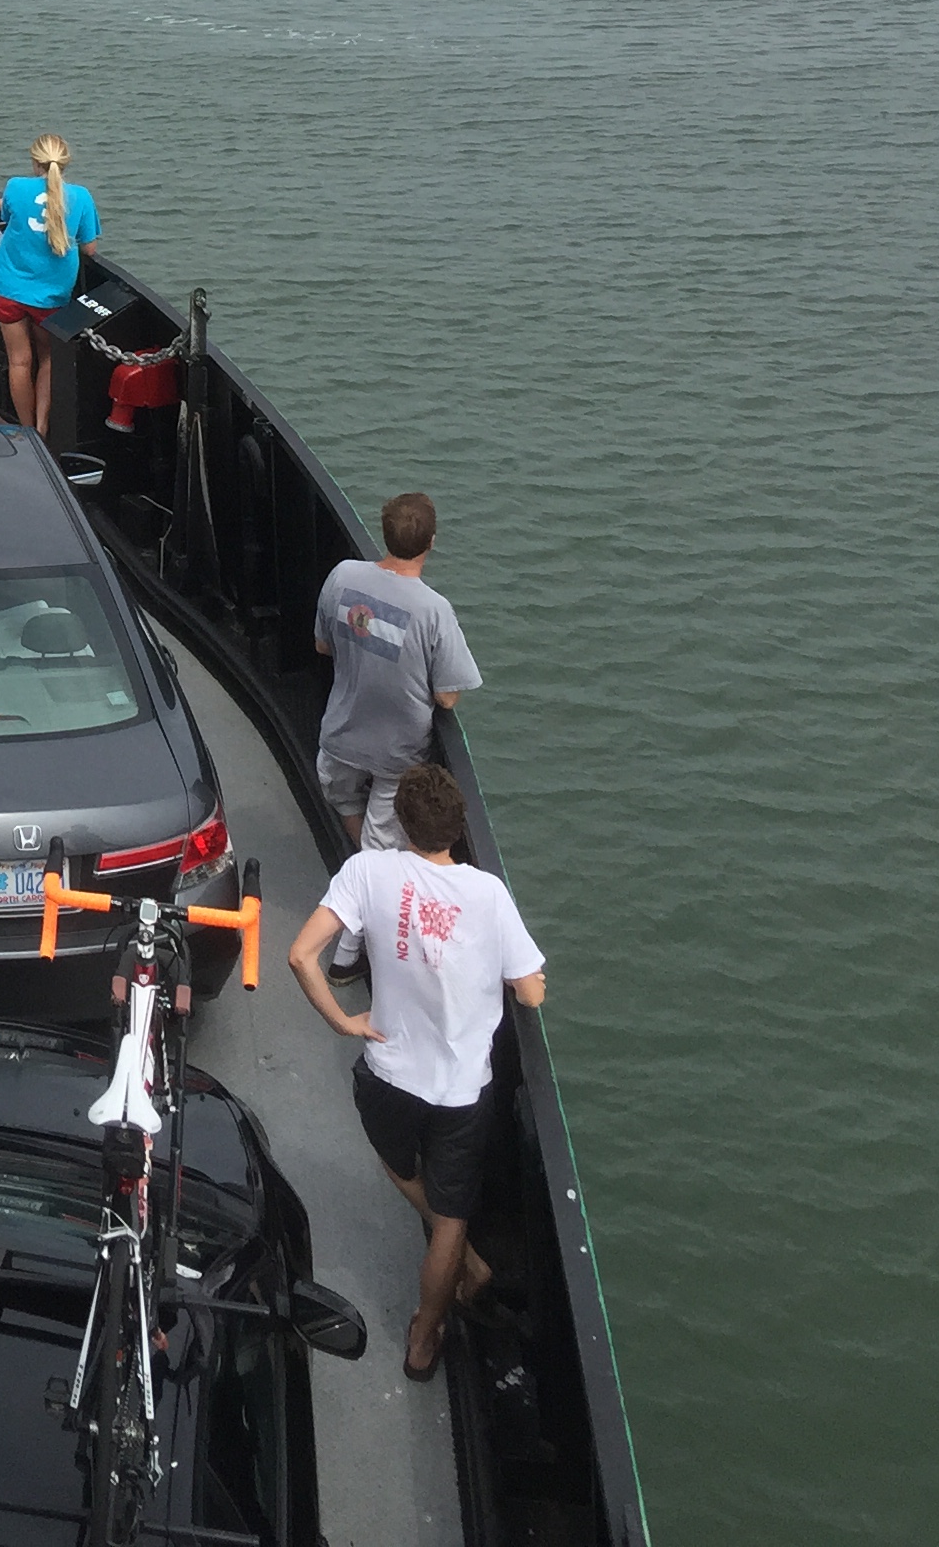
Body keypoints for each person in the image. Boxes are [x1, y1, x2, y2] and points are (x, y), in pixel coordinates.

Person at [287, 759, 547, 1385]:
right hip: (460, 1092)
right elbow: (531, 993)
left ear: (401, 824)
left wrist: (343, 1023)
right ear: (460, 830)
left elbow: (301, 955)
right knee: (451, 1220)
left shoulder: (367, 872)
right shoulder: (488, 895)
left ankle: (468, 1260)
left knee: (399, 1167)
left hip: (387, 1075)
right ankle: (424, 1339)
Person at [313, 493, 482, 855]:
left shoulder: (342, 576)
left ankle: (366, 862)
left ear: (385, 533)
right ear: (431, 543)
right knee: (382, 842)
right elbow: (447, 696)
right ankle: (374, 873)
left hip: (341, 735)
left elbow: (323, 646)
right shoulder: (434, 610)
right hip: (397, 752)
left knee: (342, 798)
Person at [0, 133, 102, 433]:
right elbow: (89, 248)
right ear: (65, 163)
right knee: (48, 358)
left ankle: (25, 431)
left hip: (8, 289)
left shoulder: (15, 187)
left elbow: (9, 217)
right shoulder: (81, 197)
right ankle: (41, 427)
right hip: (51, 296)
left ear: (34, 162)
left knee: (19, 362)